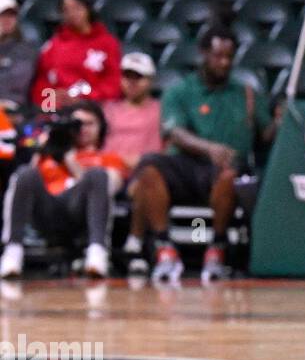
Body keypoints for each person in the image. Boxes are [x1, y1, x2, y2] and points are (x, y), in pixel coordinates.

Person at [127, 25, 277, 284]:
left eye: (229, 57)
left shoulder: (247, 93)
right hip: (186, 165)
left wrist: (280, 121)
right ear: (203, 54)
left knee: (232, 175)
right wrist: (209, 148)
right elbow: (175, 132)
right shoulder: (180, 91)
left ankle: (216, 248)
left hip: (225, 170)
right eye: (218, 56)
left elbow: (266, 135)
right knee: (150, 167)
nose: (224, 62)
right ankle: (164, 247)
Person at [0, 99, 128, 279]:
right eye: (78, 124)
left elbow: (112, 186)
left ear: (101, 127)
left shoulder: (108, 158)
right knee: (24, 173)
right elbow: (22, 186)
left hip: (80, 213)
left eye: (90, 124)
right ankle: (12, 250)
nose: (83, 129)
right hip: (46, 212)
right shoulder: (48, 156)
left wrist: (70, 159)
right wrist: (41, 150)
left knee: (98, 175)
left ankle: (97, 251)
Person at [29, 0, 122, 109]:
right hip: (59, 110)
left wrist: (84, 98)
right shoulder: (53, 45)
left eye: (77, 7)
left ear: (88, 8)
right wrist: (52, 100)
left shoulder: (107, 43)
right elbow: (42, 81)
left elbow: (113, 83)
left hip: (95, 109)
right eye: (66, 10)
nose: (72, 13)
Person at [103, 51, 163, 173]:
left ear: (151, 80)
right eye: (127, 76)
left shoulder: (161, 110)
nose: (132, 82)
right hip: (109, 170)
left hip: (146, 173)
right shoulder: (108, 110)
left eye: (138, 77)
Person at [0, 0, 38, 112]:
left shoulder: (26, 49)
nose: (7, 20)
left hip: (13, 107)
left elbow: (17, 82)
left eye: (11, 15)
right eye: (2, 15)